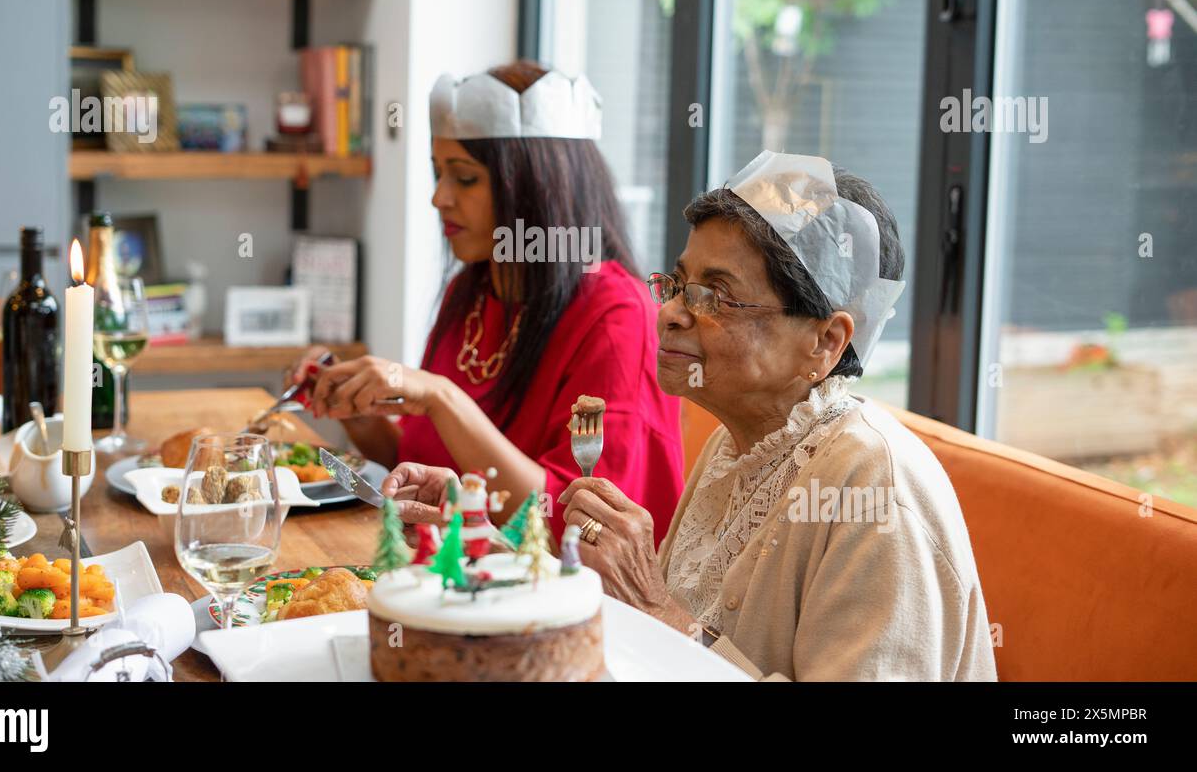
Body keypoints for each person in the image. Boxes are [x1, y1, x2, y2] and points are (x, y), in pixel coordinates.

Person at [383, 149, 998, 681]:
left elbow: (662, 623)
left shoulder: (875, 490)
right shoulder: (738, 446)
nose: (671, 313)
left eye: (717, 296)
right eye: (677, 285)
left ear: (825, 342)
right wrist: (477, 532)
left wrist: (656, 608)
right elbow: (642, 632)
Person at [289, 60, 684, 543]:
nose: (439, 198)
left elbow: (579, 524)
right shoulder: (471, 291)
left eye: (465, 178)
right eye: (438, 173)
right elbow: (431, 476)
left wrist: (439, 396)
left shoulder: (616, 316)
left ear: (539, 189)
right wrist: (359, 409)